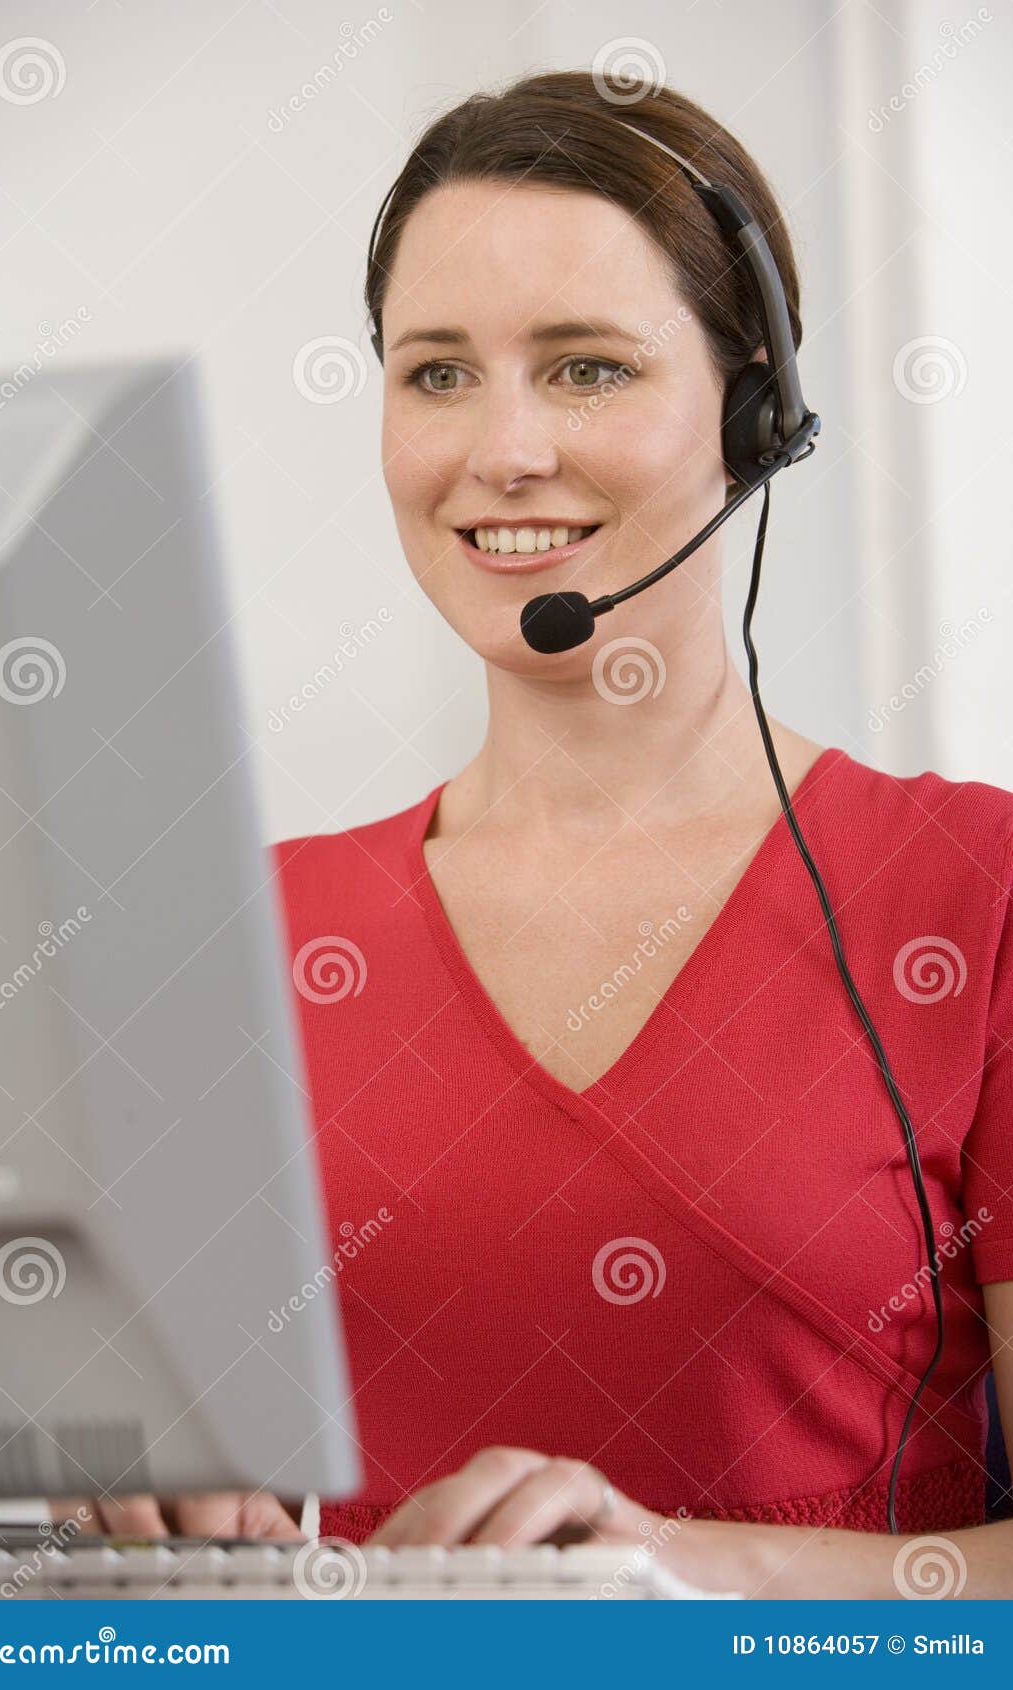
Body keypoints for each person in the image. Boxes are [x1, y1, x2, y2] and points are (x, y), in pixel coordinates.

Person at [60, 72, 1013, 1599]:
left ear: (754, 408)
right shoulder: (241, 931)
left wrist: (669, 1571)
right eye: (437, 374)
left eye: (583, 369)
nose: (499, 451)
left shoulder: (974, 893)